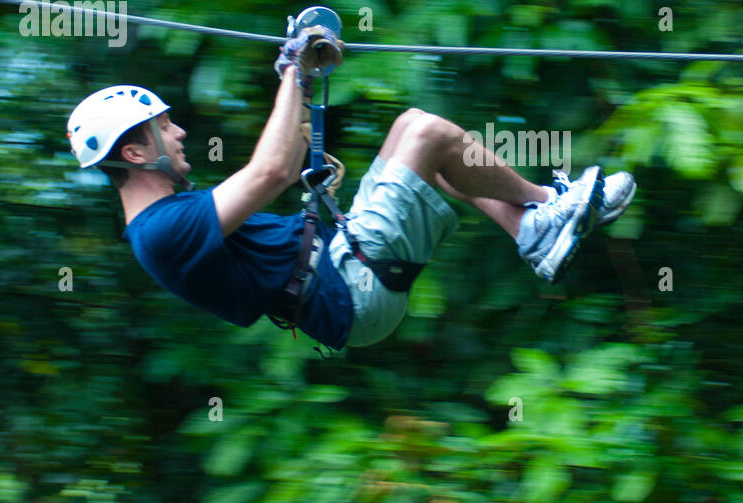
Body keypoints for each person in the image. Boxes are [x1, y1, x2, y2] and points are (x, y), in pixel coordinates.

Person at [66, 39, 636, 352]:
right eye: (164, 128)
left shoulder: (166, 221)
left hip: (342, 275)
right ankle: (543, 209)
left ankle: (530, 230)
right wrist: (293, 70)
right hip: (347, 286)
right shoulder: (164, 231)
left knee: (428, 155)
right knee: (425, 131)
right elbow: (272, 171)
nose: (181, 131)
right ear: (136, 154)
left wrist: (301, 78)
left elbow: (283, 164)